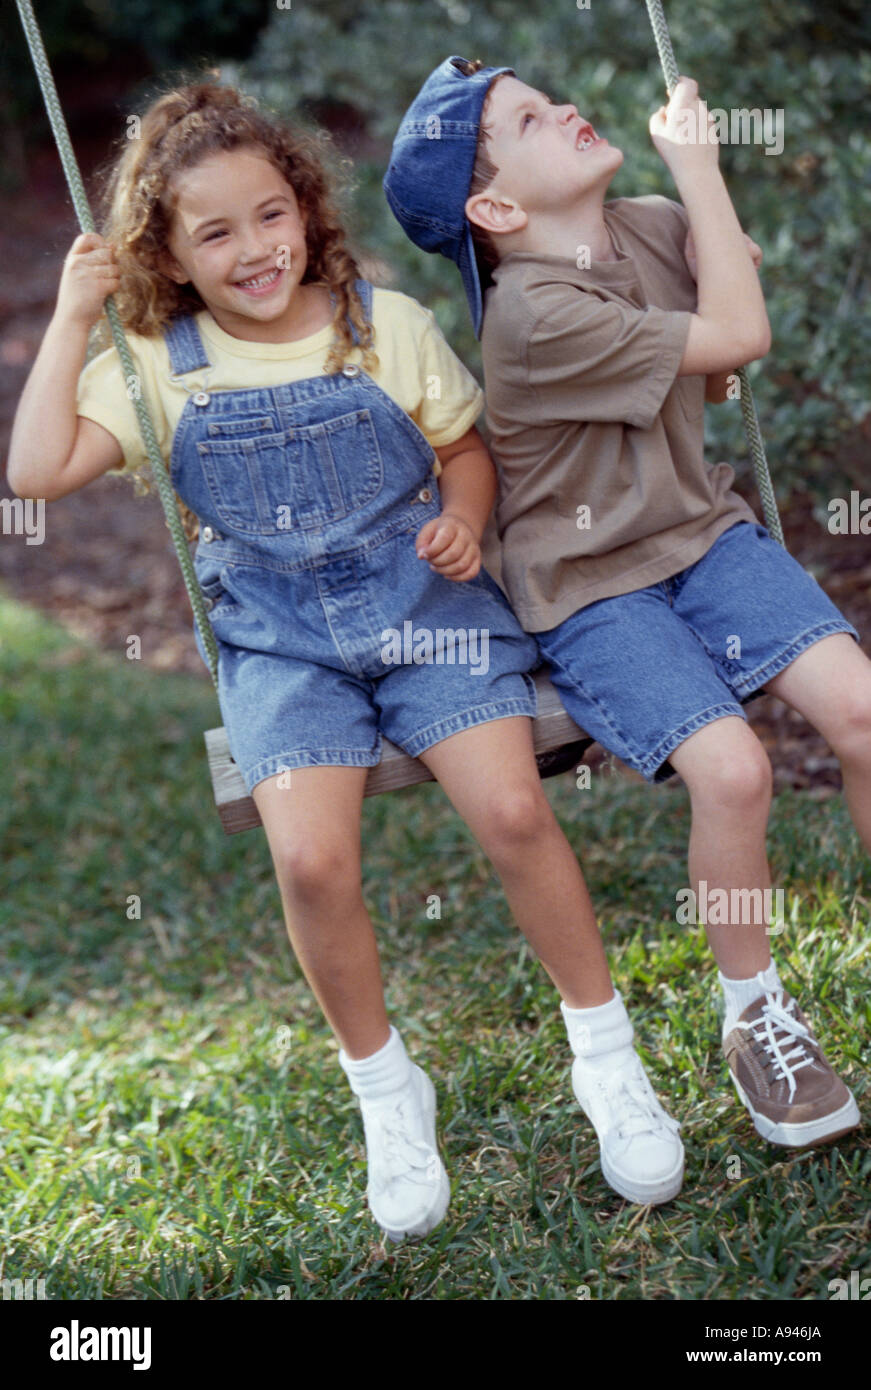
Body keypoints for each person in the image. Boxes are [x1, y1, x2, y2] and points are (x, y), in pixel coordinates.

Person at [8, 81, 687, 1239]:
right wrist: (74, 317)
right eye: (212, 232)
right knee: (313, 863)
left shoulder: (384, 321)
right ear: (166, 255)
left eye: (269, 214)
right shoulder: (157, 362)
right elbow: (36, 471)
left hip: (430, 614)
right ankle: (386, 1089)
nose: (253, 248)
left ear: (304, 209)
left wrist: (465, 518)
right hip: (283, 649)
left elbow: (464, 448)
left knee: (515, 812)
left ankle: (605, 1056)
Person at [384, 57, 870, 1152]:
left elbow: (725, 320)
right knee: (734, 769)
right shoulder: (531, 315)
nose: (561, 106)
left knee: (861, 713)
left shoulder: (639, 224)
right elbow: (737, 339)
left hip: (701, 535)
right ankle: (755, 1011)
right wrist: (700, 172)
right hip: (590, 582)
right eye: (525, 119)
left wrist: (707, 232)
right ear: (496, 207)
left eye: (543, 93)